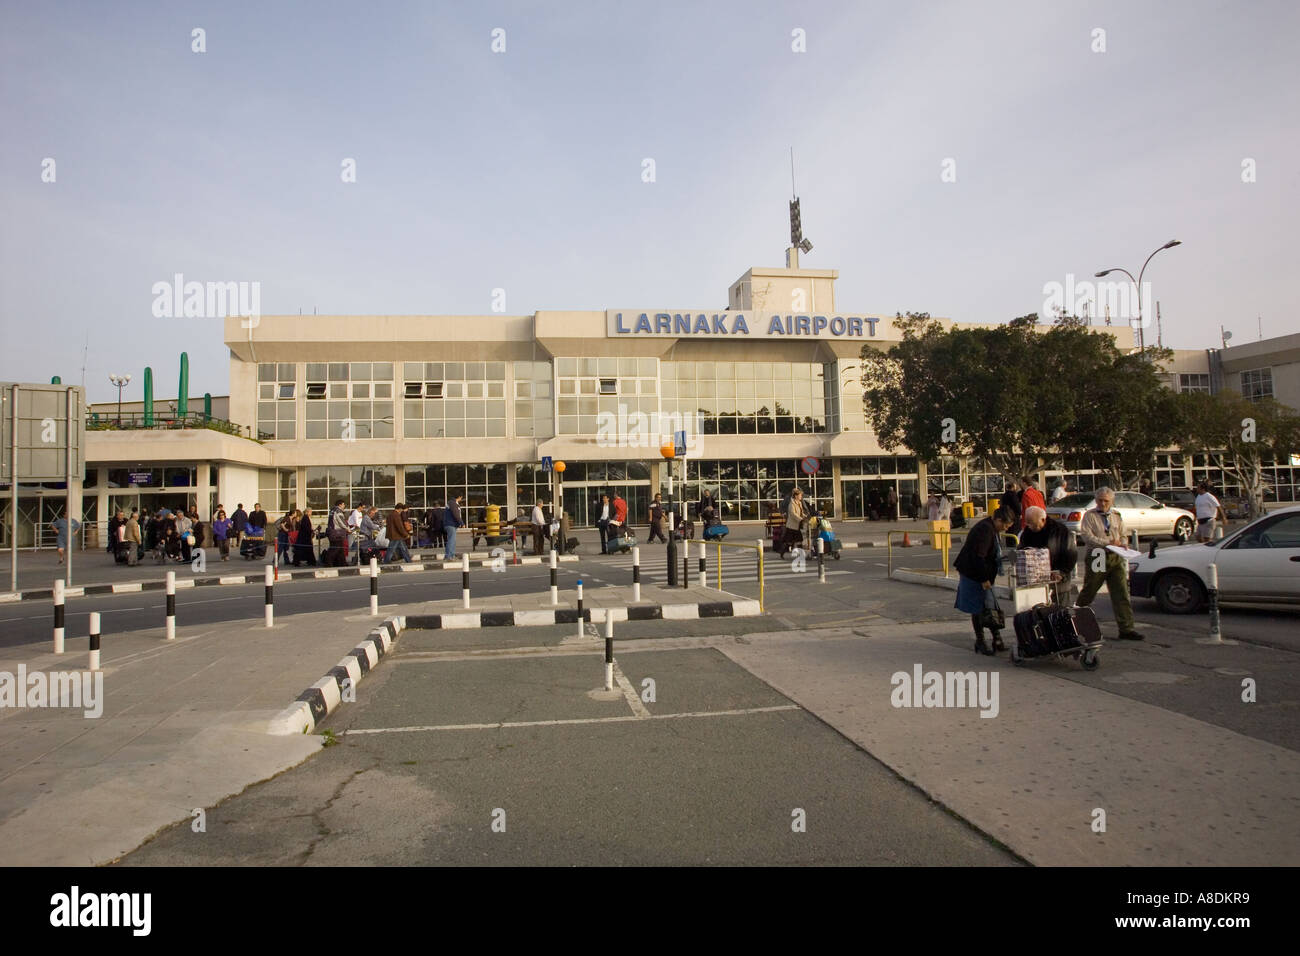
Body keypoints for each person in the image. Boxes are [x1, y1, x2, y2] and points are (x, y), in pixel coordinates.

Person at [1076, 487, 1143, 641]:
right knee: (1090, 589)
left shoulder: (1116, 515)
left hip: (1116, 556)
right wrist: (1108, 542)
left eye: (1106, 501)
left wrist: (1123, 543)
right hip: (1098, 555)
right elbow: (1087, 537)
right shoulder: (1090, 515)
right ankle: (1077, 620)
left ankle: (1126, 628)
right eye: (1100, 500)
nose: (1103, 503)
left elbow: (1123, 533)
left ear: (1111, 501)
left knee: (1121, 592)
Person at [953, 505, 1015, 656]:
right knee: (979, 608)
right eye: (1005, 525)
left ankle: (997, 639)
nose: (1006, 529)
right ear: (998, 520)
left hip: (981, 573)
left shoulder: (991, 528)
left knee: (990, 606)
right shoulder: (985, 530)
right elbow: (978, 556)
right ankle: (980, 641)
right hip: (974, 574)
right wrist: (984, 579)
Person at [1019, 505, 1077, 604]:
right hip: (1036, 580)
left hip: (1058, 579)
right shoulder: (1028, 532)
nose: (1030, 526)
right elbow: (1022, 550)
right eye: (1028, 523)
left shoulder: (1060, 531)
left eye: (1033, 523)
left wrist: (1062, 573)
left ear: (1043, 520)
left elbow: (1071, 554)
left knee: (1060, 611)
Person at [780, 487, 808, 555]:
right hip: (792, 526)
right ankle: (782, 552)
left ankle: (801, 553)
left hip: (797, 525)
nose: (801, 496)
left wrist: (805, 516)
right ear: (796, 496)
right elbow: (793, 514)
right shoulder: (792, 503)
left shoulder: (799, 503)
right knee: (789, 542)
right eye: (800, 495)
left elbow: (801, 512)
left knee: (799, 540)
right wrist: (800, 519)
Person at [443, 493, 464, 560]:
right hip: (451, 524)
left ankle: (449, 555)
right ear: (459, 497)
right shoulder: (453, 503)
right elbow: (456, 514)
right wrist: (461, 523)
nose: (461, 499)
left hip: (450, 524)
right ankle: (449, 556)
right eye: (461, 498)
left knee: (451, 540)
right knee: (451, 540)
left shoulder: (451, 502)